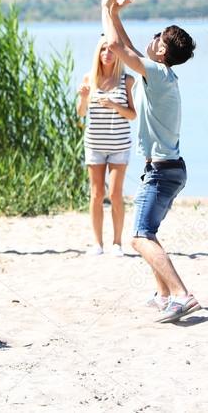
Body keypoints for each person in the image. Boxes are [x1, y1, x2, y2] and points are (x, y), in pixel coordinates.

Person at [101, 0, 200, 323]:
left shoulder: (156, 73)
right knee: (149, 233)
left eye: (157, 36)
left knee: (140, 237)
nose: (152, 38)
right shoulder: (160, 73)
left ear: (160, 49)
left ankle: (181, 295)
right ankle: (163, 295)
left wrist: (104, 8)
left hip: (162, 171)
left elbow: (116, 47)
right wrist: (115, 14)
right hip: (169, 169)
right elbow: (126, 48)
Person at [77, 36, 136, 256]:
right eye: (103, 50)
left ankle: (117, 243)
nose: (107, 54)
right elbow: (81, 113)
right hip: (94, 145)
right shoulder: (89, 78)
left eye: (111, 50)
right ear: (98, 53)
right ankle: (97, 244)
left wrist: (114, 105)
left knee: (116, 194)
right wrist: (83, 98)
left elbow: (132, 115)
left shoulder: (126, 80)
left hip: (119, 145)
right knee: (96, 193)